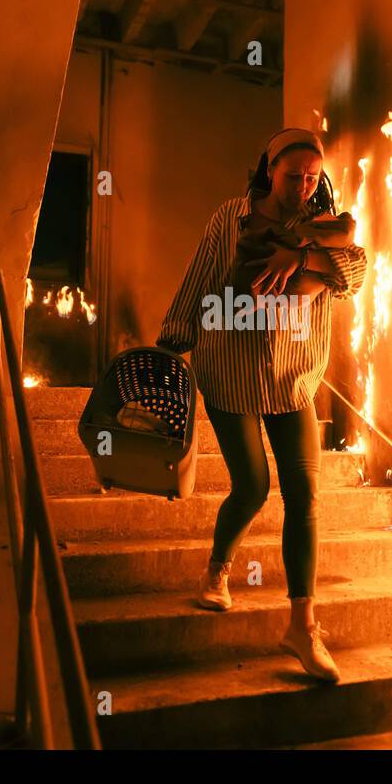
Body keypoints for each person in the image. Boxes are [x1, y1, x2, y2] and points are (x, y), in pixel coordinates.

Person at [156, 127, 367, 683]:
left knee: (305, 494)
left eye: (312, 176)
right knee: (252, 485)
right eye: (292, 174)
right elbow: (204, 273)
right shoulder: (233, 215)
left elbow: (357, 270)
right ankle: (217, 573)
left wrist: (301, 254)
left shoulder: (323, 225)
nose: (303, 185)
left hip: (293, 376)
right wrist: (175, 334)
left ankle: (302, 625)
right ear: (269, 171)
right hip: (229, 368)